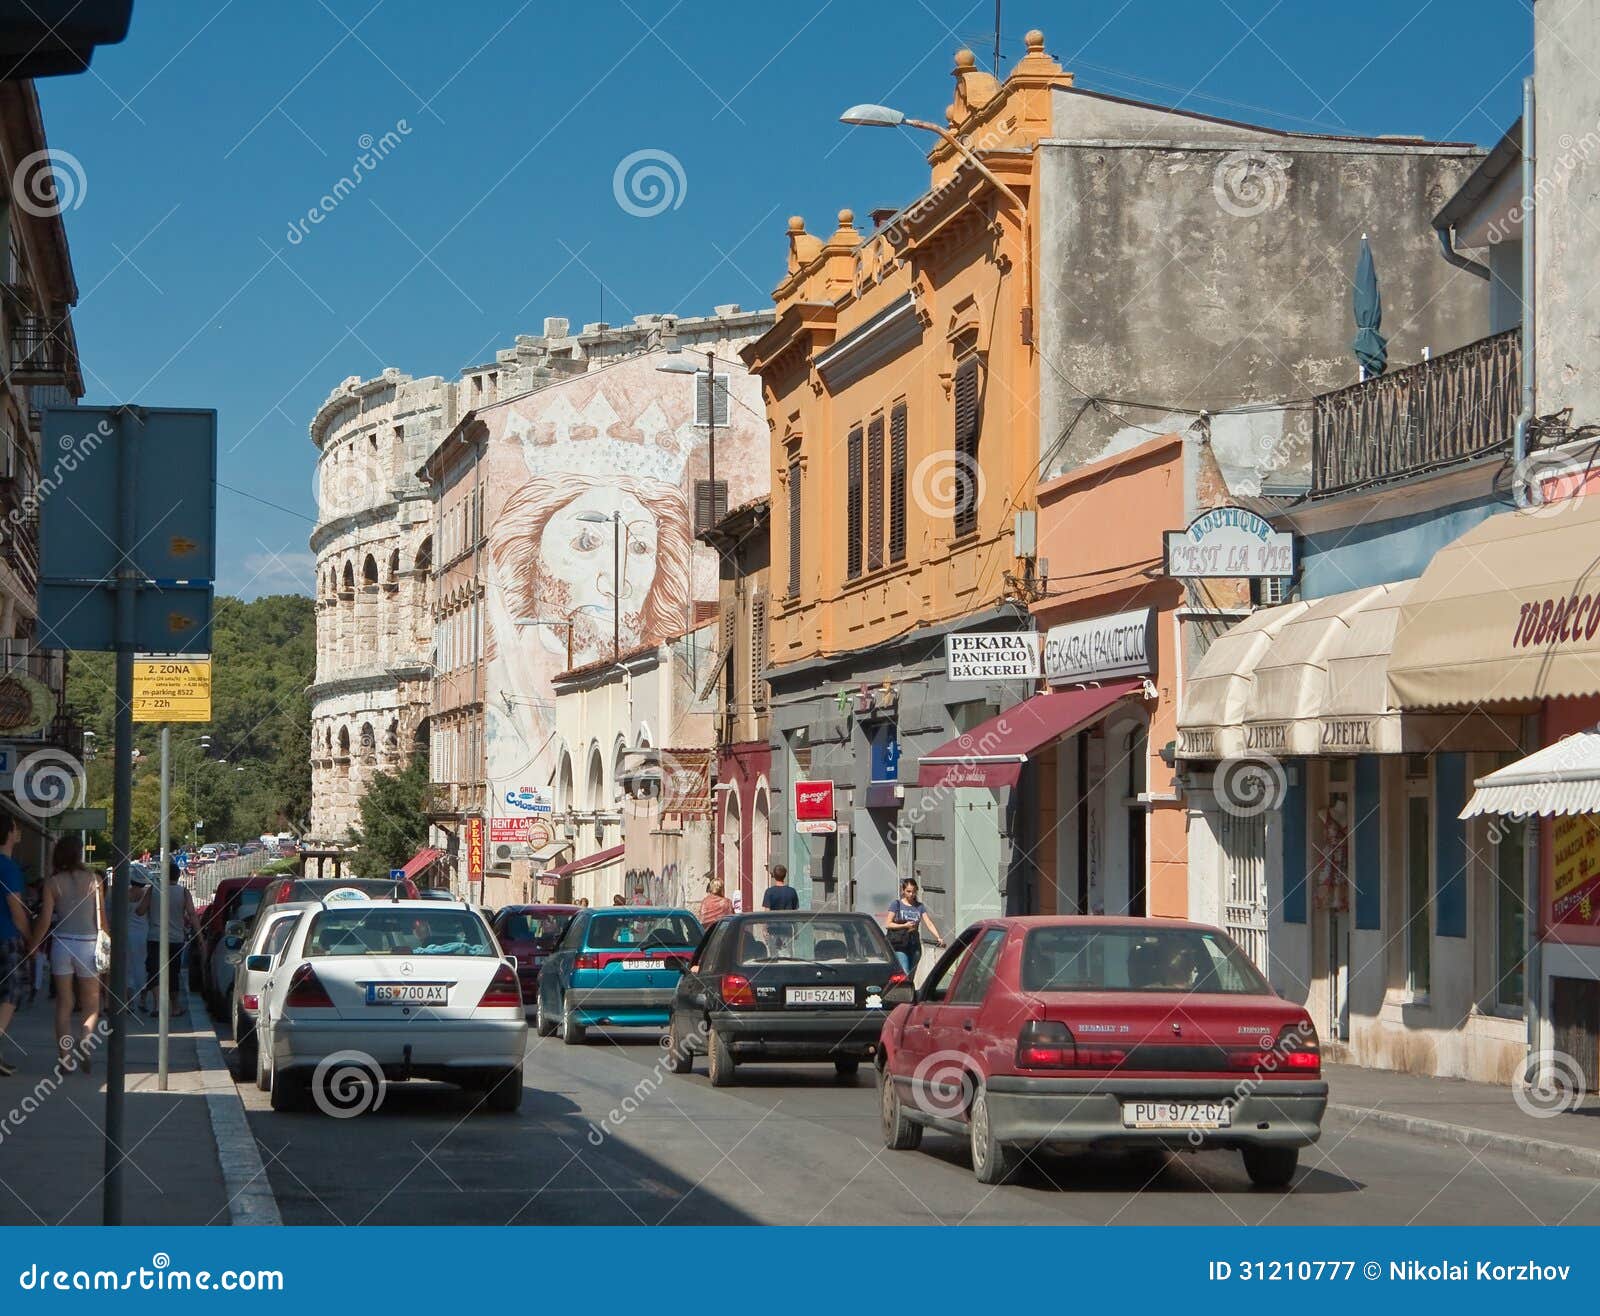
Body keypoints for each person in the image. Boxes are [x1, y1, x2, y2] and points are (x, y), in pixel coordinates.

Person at [31, 837, 102, 1072]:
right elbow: (101, 919)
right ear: (79, 854)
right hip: (88, 944)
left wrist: (33, 945)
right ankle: (85, 1040)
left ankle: (65, 1058)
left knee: (64, 1002)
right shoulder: (94, 880)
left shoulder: (53, 883)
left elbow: (44, 920)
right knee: (92, 1002)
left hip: (62, 944)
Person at [0, 815, 32, 1077]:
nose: (19, 830)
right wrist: (29, 938)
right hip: (7, 937)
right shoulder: (9, 868)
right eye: (16, 827)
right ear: (8, 833)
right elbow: (16, 909)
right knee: (12, 992)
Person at [147, 861, 198, 1016]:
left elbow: (140, 910)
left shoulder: (153, 889)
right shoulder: (184, 892)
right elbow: (192, 914)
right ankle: (175, 1007)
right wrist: (200, 937)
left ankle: (157, 1006)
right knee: (173, 973)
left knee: (155, 971)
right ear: (178, 876)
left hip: (155, 937)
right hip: (175, 939)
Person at [885, 878, 945, 976]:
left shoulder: (919, 906)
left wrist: (938, 937)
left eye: (913, 892)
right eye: (908, 891)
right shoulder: (896, 904)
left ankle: (909, 986)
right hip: (900, 943)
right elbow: (888, 924)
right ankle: (903, 985)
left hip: (914, 942)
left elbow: (929, 923)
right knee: (905, 971)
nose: (911, 894)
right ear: (903, 891)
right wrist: (904, 925)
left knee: (911, 974)